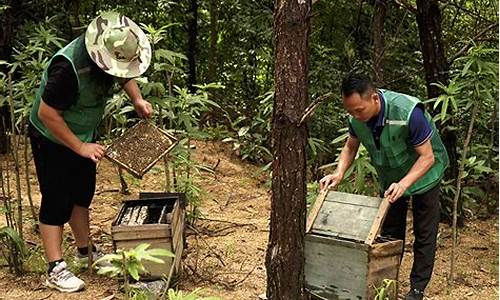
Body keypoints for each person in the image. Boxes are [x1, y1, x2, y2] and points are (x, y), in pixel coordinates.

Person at [29, 11, 153, 292]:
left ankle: (85, 252)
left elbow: (123, 73)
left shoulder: (110, 58)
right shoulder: (68, 67)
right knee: (57, 197)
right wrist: (80, 147)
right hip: (51, 136)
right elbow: (47, 113)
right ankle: (55, 267)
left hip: (83, 132)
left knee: (82, 191)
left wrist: (137, 99)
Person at [319, 73, 449, 300]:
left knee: (424, 234)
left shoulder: (408, 112)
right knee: (390, 233)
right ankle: (387, 284)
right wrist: (339, 174)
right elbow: (350, 147)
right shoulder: (356, 119)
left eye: (359, 110)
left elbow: (427, 157)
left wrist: (405, 183)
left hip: (425, 174)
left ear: (375, 99)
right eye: (350, 111)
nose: (355, 116)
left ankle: (416, 290)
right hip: (390, 178)